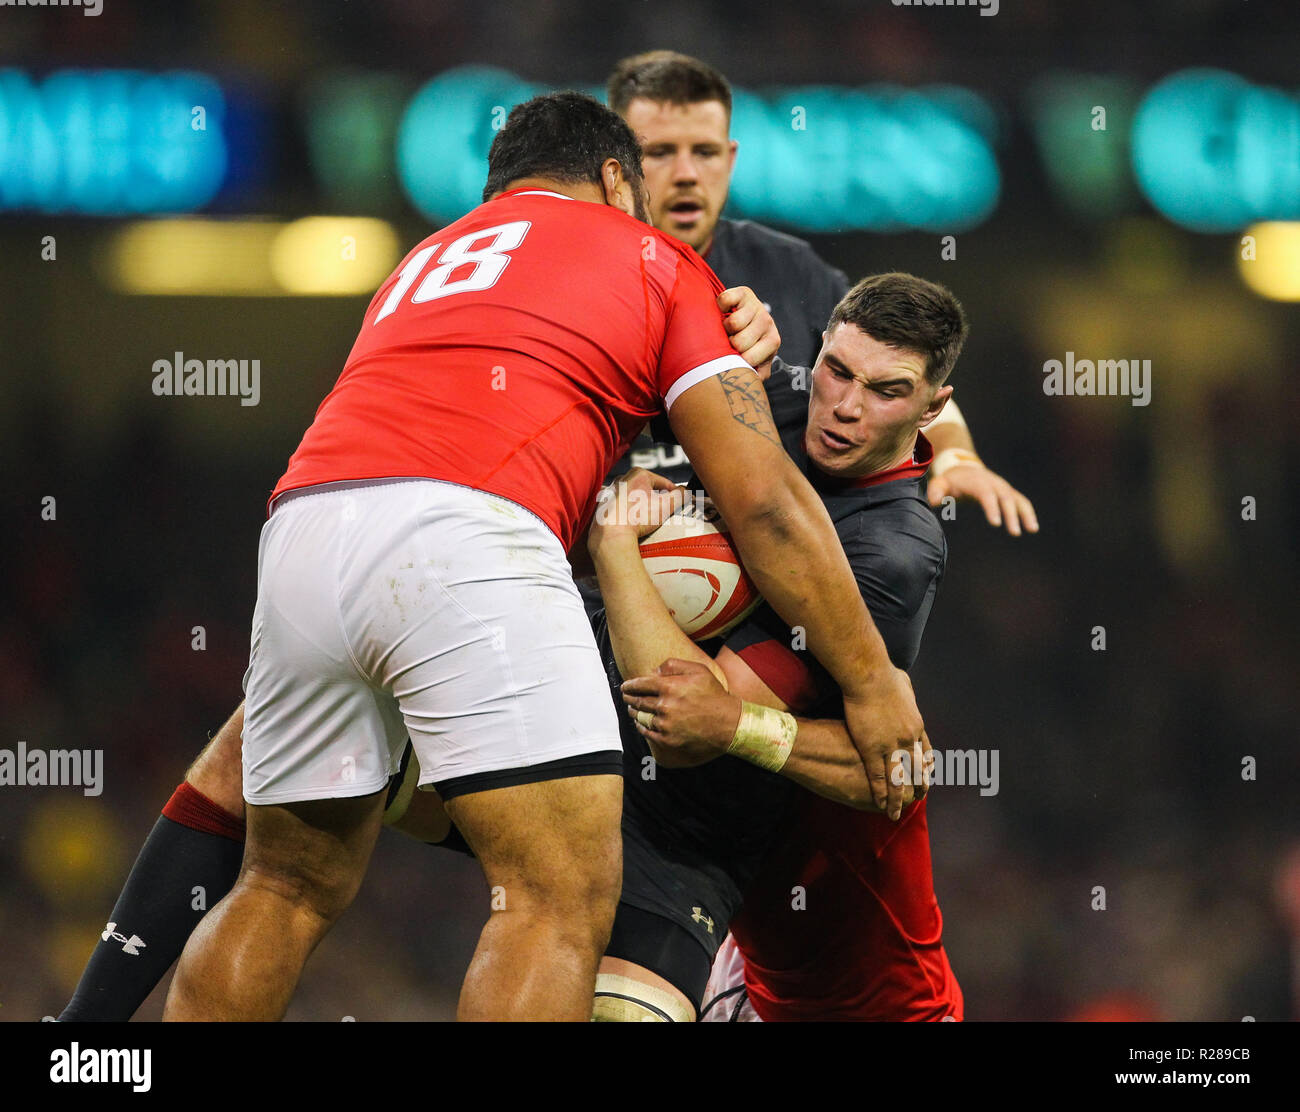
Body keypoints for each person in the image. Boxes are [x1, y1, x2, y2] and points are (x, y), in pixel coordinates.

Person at [153, 91, 926, 1023]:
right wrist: (876, 684)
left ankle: (90, 1030)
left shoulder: (425, 259)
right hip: (468, 538)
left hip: (307, 521)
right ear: (613, 178)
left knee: (280, 884)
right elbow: (763, 504)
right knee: (552, 900)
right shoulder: (653, 258)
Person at [590, 272, 966, 1020]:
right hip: (751, 960)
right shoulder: (773, 405)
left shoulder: (891, 551)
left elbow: (692, 718)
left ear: (934, 407)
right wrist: (713, 316)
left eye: (886, 391)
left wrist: (614, 543)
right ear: (817, 351)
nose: (847, 407)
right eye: (838, 370)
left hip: (877, 1007)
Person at [605, 50, 1037, 535]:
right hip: (600, 569)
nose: (686, 173)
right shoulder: (577, 276)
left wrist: (957, 455)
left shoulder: (792, 270)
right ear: (616, 168)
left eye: (704, 152)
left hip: (764, 572)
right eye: (660, 152)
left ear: (729, 159)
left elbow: (902, 375)